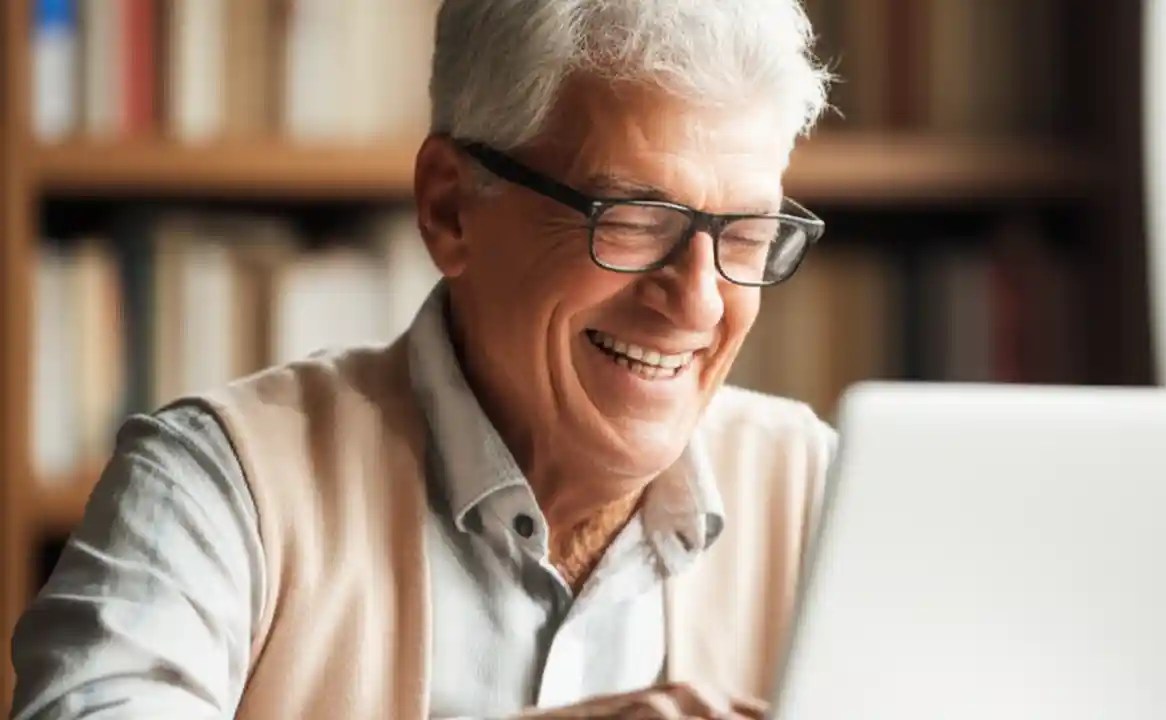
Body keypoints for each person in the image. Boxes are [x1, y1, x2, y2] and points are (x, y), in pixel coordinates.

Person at [10, 1, 834, 717]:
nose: (698, 301)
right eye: (634, 219)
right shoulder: (218, 486)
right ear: (449, 208)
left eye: (748, 235)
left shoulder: (829, 495)